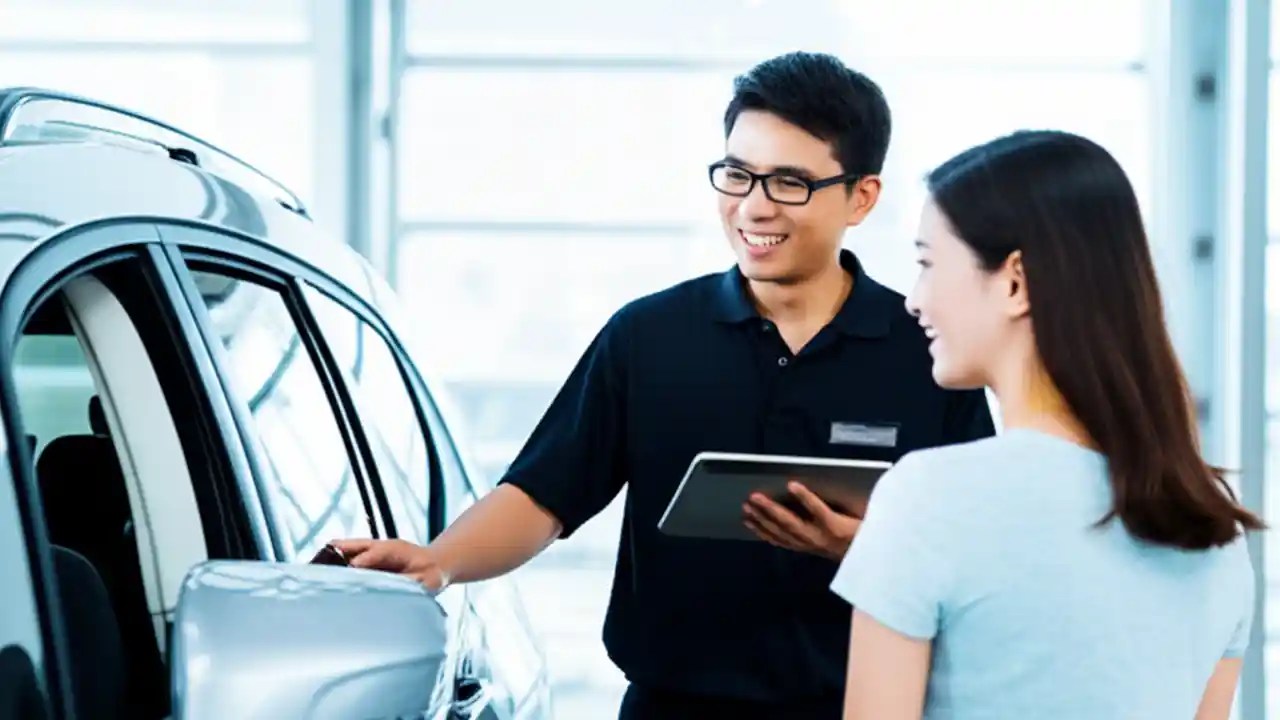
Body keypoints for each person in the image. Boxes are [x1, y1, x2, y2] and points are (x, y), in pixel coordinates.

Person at [335, 51, 994, 720]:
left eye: (789, 182)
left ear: (862, 197)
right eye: (737, 175)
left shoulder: (926, 352)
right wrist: (439, 562)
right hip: (671, 707)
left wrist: (867, 548)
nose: (753, 208)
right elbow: (544, 495)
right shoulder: (649, 336)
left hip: (862, 707)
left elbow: (976, 547)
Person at [832, 129, 1263, 720]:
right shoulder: (1211, 522)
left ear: (1015, 281)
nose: (914, 300)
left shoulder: (928, 496)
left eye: (928, 264)